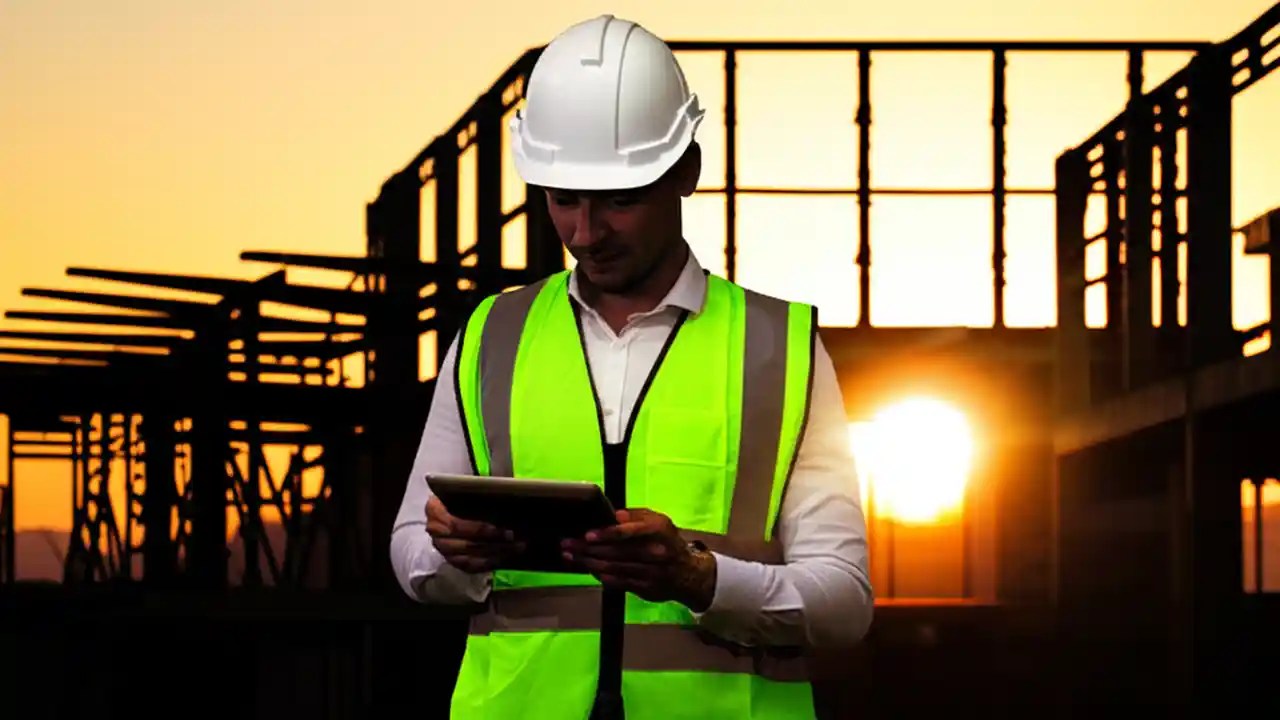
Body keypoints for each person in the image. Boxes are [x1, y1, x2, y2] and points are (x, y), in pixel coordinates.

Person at [389, 14, 873, 720]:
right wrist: (455, 554)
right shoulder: (492, 335)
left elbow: (844, 603)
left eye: (619, 199)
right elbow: (410, 555)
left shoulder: (781, 346)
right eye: (563, 200)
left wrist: (698, 577)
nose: (585, 233)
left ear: (687, 172)